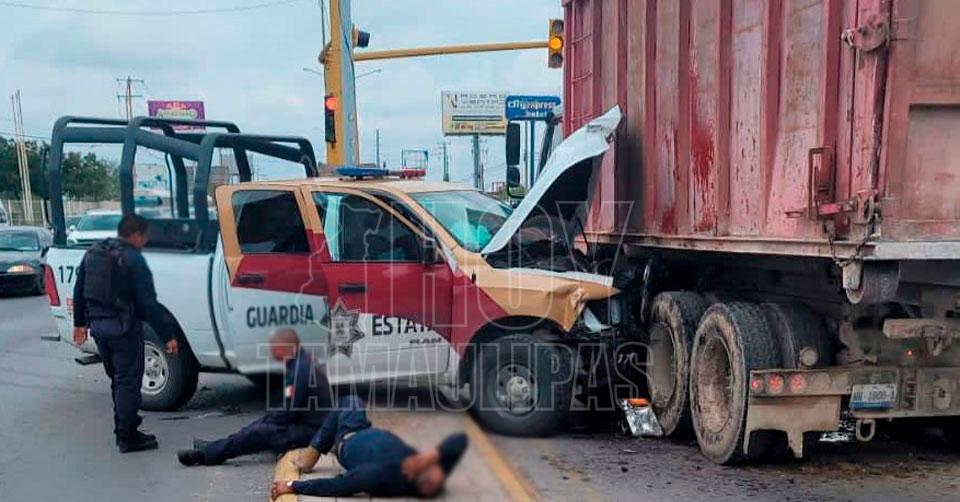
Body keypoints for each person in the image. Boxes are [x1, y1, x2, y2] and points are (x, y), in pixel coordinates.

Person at [72, 213, 178, 453]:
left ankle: (124, 426)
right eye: (145, 237)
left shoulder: (94, 253)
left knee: (118, 381)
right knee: (128, 382)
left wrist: (79, 323)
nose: (146, 242)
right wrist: (167, 335)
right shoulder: (133, 259)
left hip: (98, 329)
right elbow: (148, 304)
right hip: (123, 329)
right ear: (136, 235)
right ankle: (128, 436)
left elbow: (79, 289)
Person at [178, 328, 332, 466]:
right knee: (258, 426)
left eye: (274, 347)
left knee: (259, 431)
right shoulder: (301, 363)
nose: (272, 351)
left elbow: (288, 411)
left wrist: (267, 421)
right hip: (309, 425)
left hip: (312, 433)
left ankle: (206, 455)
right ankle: (214, 447)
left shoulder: (300, 369)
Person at [271, 396, 468, 499]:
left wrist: (291, 486)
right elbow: (460, 440)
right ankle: (318, 444)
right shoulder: (430, 467)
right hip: (367, 430)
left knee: (350, 402)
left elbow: (339, 486)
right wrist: (435, 457)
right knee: (352, 406)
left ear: (412, 474)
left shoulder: (379, 475)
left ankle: (313, 451)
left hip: (349, 437)